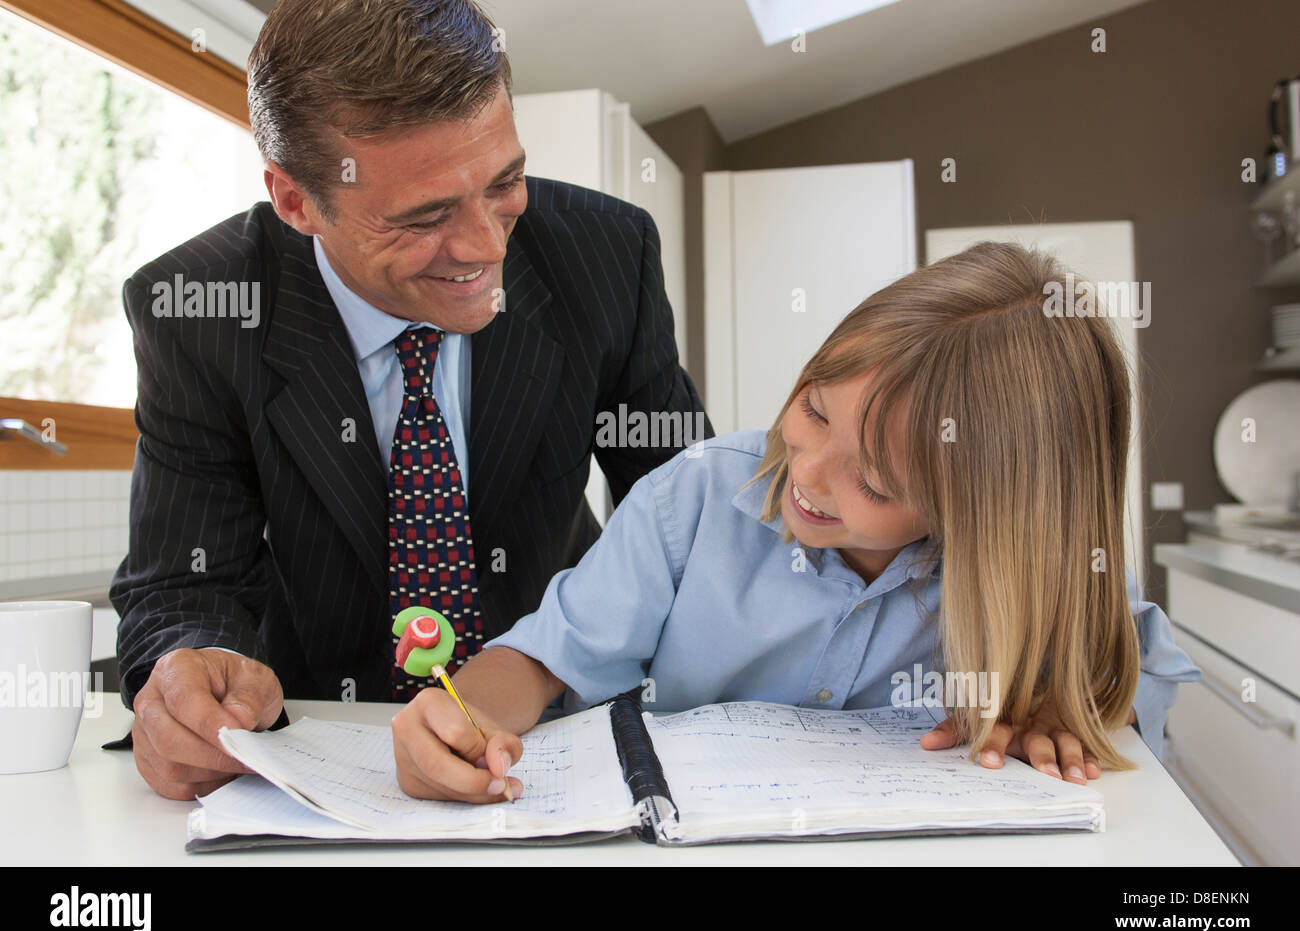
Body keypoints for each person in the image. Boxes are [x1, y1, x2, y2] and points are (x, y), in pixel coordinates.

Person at [110, 0, 709, 800]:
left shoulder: (606, 253)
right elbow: (182, 581)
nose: (486, 249)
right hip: (326, 743)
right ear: (295, 202)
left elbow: (688, 519)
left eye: (505, 183)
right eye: (423, 217)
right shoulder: (201, 306)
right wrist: (189, 675)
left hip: (560, 734)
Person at [390, 240, 1202, 804]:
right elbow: (540, 661)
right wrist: (464, 713)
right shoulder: (698, 497)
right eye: (813, 410)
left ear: (987, 513)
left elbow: (1133, 676)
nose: (806, 475)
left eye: (876, 482)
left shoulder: (1046, 567)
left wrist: (1070, 710)